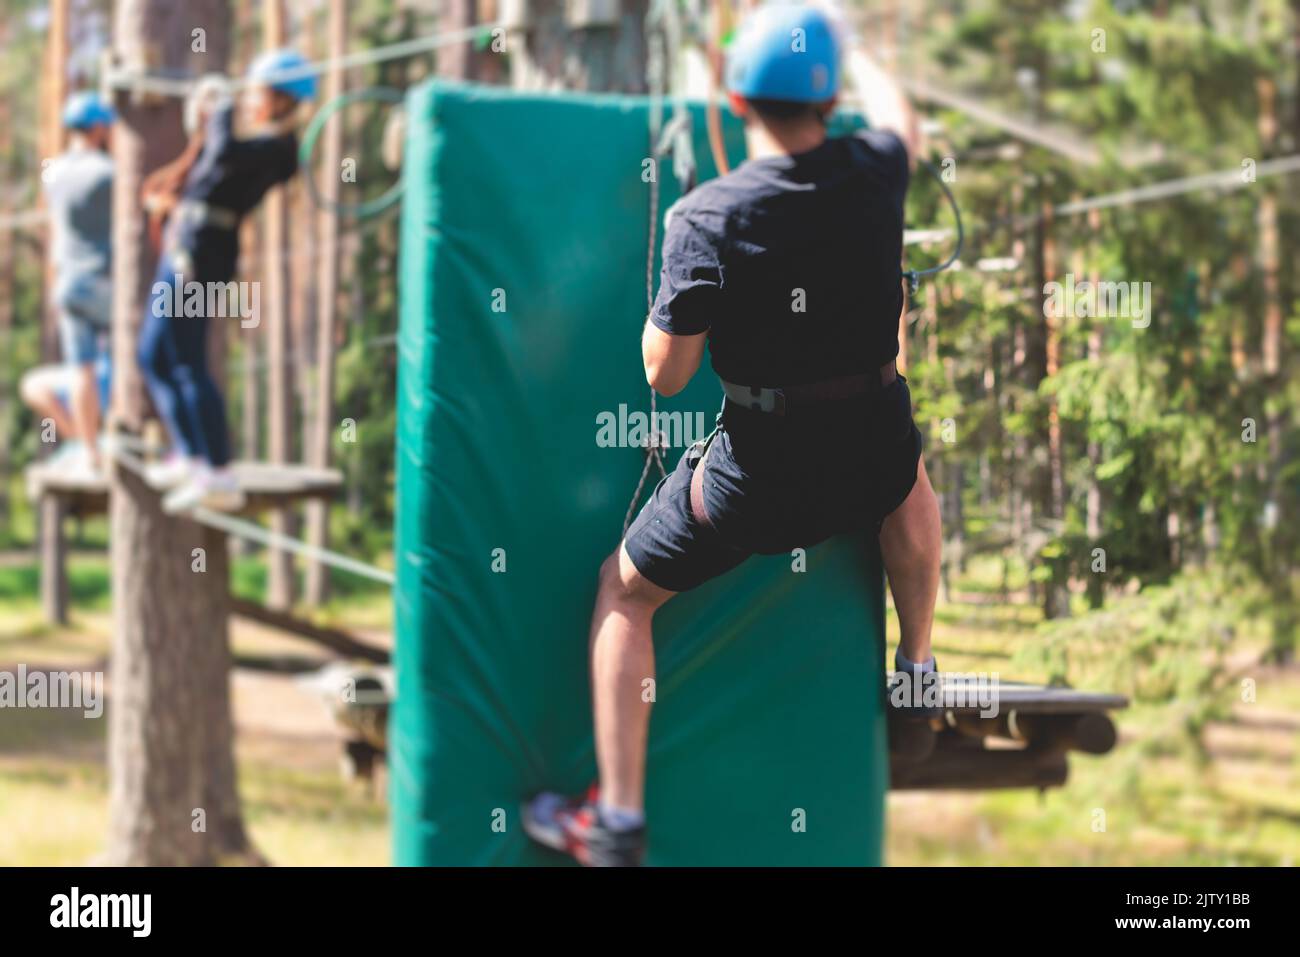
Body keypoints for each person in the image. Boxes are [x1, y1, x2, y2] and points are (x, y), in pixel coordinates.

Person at [522, 3, 943, 866]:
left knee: (624, 590)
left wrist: (663, 313)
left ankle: (617, 824)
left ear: (733, 94)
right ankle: (920, 667)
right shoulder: (877, 169)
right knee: (909, 485)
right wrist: (852, 50)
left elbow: (666, 375)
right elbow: (903, 119)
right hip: (871, 445)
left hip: (763, 474)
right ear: (830, 101)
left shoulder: (705, 217)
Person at [137, 49, 316, 513]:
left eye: (259, 93)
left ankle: (218, 470)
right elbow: (210, 168)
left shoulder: (278, 151)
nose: (251, 101)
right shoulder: (256, 143)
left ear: (281, 99)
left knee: (188, 360)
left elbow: (223, 153)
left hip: (205, 257)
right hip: (187, 246)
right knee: (154, 354)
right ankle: (195, 457)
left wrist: (218, 108)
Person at [23, 92, 115, 475]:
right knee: (136, 356)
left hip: (69, 283)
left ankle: (89, 448)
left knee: (82, 369)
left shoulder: (54, 173)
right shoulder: (107, 173)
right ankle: (117, 439)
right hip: (105, 282)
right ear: (98, 128)